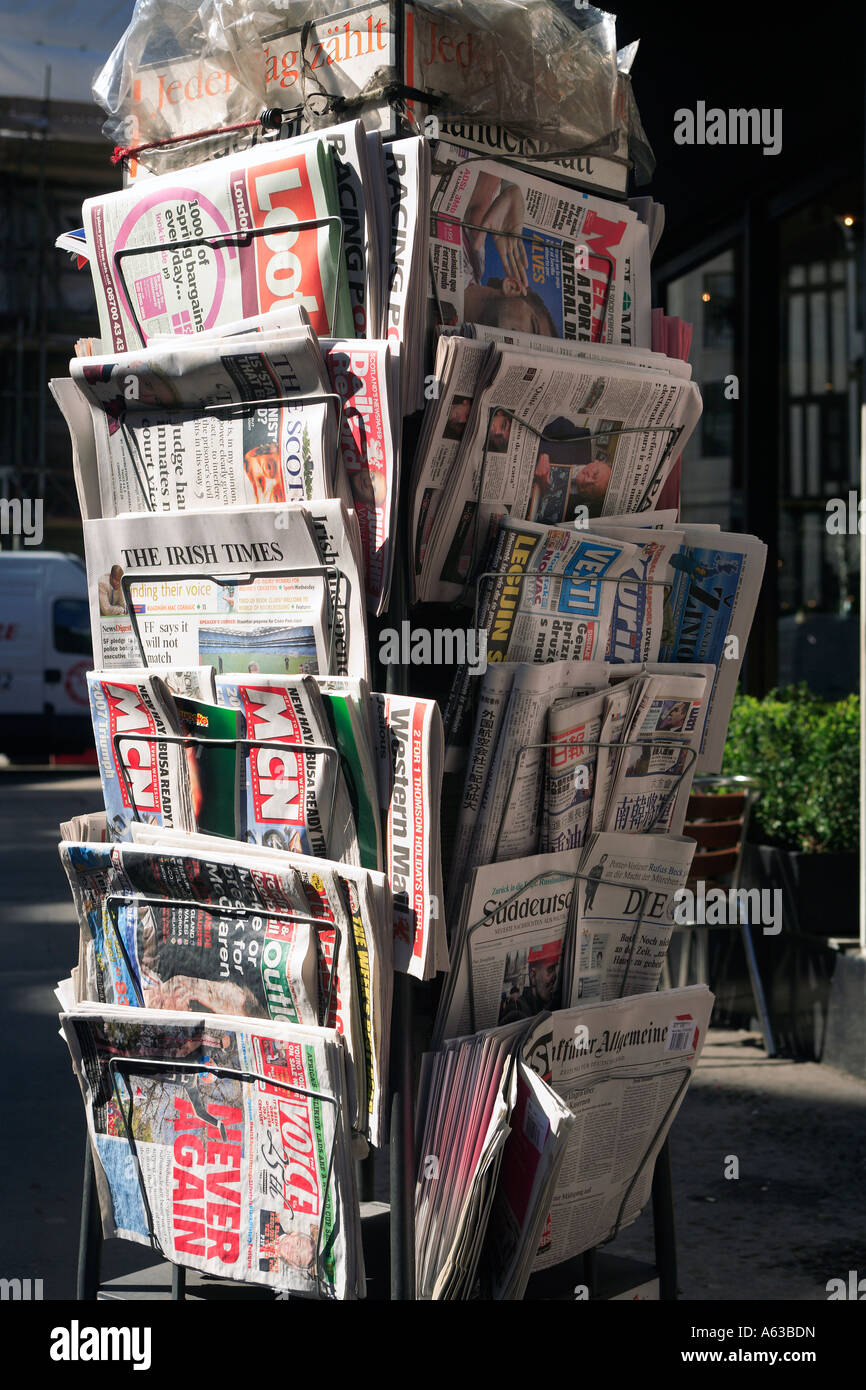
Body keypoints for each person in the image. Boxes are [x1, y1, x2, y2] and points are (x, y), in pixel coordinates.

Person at [460, 171, 558, 336]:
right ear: (512, 287)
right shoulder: (473, 257)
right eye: (532, 329)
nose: (523, 342)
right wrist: (509, 187)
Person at [498, 942, 561, 1021]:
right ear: (533, 975)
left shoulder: (552, 1003)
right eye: (550, 969)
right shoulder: (517, 1010)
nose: (555, 976)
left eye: (555, 968)